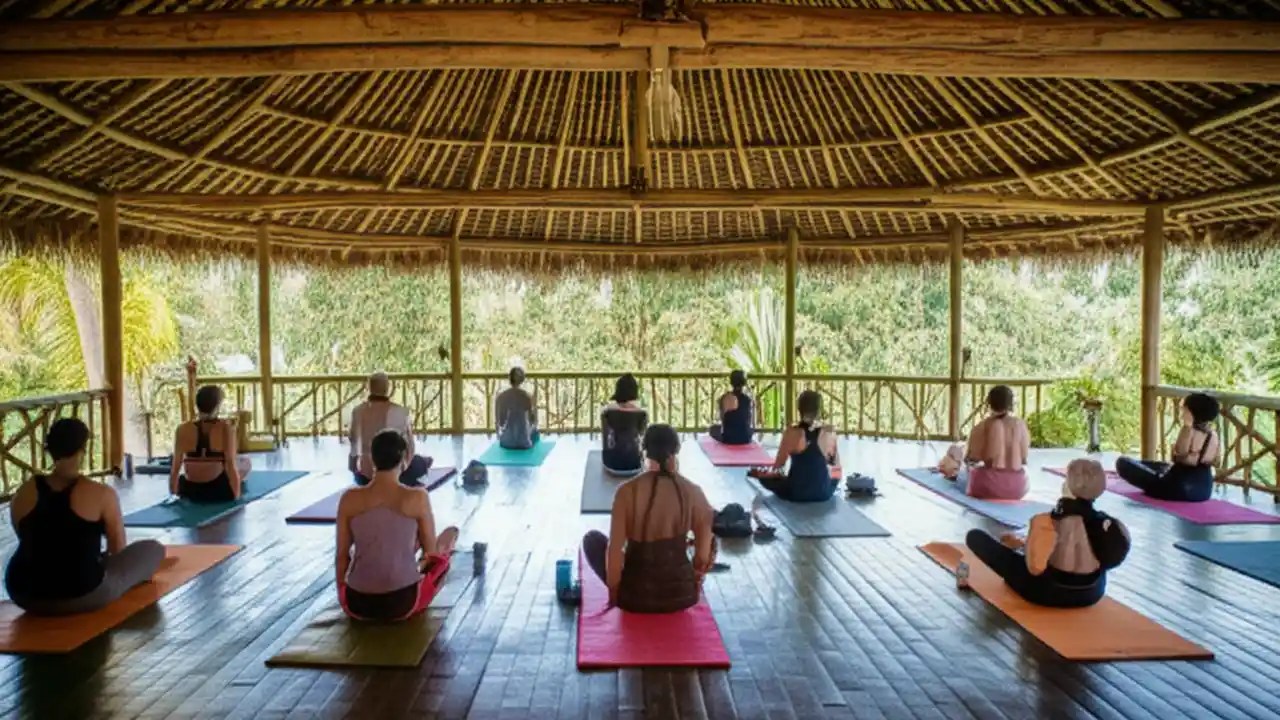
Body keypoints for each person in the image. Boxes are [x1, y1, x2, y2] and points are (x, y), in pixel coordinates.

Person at [5, 418, 166, 615]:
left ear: (49, 449)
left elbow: (27, 539)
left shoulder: (23, 493)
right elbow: (118, 550)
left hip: (24, 593)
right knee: (153, 550)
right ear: (83, 450)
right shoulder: (101, 494)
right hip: (83, 594)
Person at [581, 424, 716, 613]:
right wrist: (695, 579)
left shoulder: (626, 492)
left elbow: (615, 550)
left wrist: (615, 595)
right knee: (710, 531)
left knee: (592, 540)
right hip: (682, 596)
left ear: (644, 450)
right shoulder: (692, 491)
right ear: (676, 451)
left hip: (634, 597)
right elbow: (702, 556)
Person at [965, 458, 1129, 608]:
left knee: (975, 537)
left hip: (1047, 593)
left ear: (1068, 486)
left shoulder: (1046, 522)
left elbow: (1035, 567)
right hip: (1092, 593)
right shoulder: (1104, 523)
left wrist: (1027, 546)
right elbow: (1112, 556)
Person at [336, 429, 460, 621]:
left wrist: (343, 594)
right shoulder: (417, 497)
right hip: (404, 603)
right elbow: (431, 554)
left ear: (373, 459)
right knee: (443, 554)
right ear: (404, 460)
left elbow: (341, 556)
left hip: (356, 604)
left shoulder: (349, 499)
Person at [1115, 392, 1220, 502]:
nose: (1181, 413)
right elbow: (1216, 461)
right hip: (1203, 491)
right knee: (1160, 465)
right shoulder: (1213, 435)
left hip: (1176, 488)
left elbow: (1180, 454)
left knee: (1123, 462)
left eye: (1184, 409)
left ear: (1190, 412)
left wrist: (1186, 428)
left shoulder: (1188, 430)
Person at [348, 372, 432, 487]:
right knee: (420, 462)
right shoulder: (401, 412)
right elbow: (410, 448)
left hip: (365, 476)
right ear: (388, 388)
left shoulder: (357, 411)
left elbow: (353, 443)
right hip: (397, 474)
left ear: (369, 388)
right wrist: (404, 466)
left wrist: (354, 465)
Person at [170, 385, 252, 502]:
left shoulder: (182, 429)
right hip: (218, 490)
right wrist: (236, 496)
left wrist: (173, 493)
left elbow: (175, 467)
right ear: (217, 406)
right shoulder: (225, 428)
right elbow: (230, 464)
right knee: (245, 463)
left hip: (189, 490)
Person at [760, 390, 841, 502]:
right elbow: (835, 465)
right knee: (835, 478)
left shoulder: (791, 432)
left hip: (797, 492)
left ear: (799, 410)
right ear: (819, 410)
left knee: (763, 478)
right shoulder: (828, 431)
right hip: (823, 493)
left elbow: (779, 464)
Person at [961, 385, 1030, 500]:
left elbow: (972, 459)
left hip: (989, 486)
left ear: (989, 403)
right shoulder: (1021, 425)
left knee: (961, 475)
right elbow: (1024, 458)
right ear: (1011, 404)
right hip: (1019, 487)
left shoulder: (982, 427)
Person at [600, 373, 649, 475]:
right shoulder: (642, 414)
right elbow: (641, 437)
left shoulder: (606, 412)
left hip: (610, 464)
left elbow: (605, 439)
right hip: (635, 464)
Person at [495, 367, 538, 450]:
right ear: (522, 379)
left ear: (509, 378)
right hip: (524, 442)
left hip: (506, 442)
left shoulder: (501, 396)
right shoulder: (526, 396)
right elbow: (532, 421)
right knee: (535, 431)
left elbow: (499, 423)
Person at [708, 369, 754, 445]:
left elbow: (723, 419)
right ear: (744, 383)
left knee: (712, 429)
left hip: (728, 438)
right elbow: (749, 419)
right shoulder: (747, 399)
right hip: (745, 438)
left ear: (731, 382)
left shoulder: (725, 397)